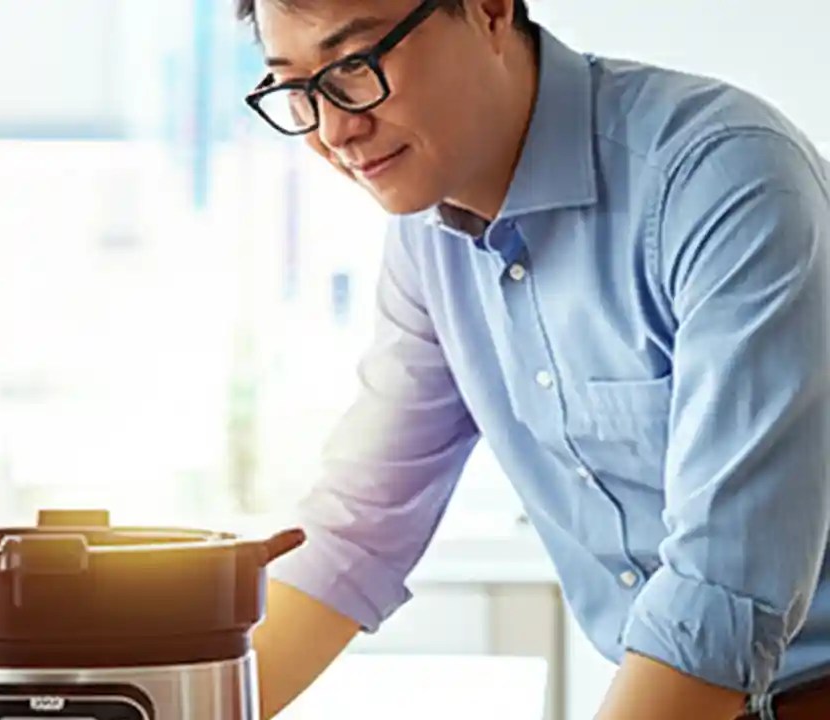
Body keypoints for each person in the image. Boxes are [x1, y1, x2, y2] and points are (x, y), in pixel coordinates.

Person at [235, 0, 830, 718]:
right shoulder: (431, 237)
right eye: (297, 88)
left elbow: (723, 591)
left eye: (357, 66)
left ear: (489, 10)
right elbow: (355, 533)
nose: (334, 129)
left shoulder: (722, 180)